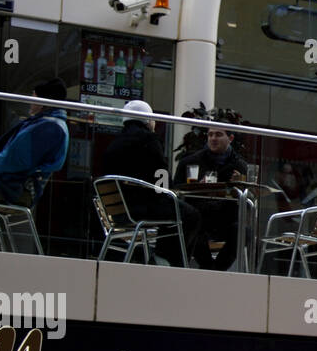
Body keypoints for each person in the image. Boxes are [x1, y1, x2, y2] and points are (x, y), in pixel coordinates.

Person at [0, 78, 70, 245]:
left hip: (15, 187)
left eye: (33, 97)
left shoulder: (48, 127)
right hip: (11, 183)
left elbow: (10, 161)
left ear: (43, 103)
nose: (29, 102)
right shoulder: (46, 124)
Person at [102, 100, 206, 267]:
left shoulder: (114, 143)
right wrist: (170, 190)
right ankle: (171, 261)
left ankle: (163, 257)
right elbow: (161, 175)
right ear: (148, 120)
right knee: (190, 215)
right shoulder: (148, 139)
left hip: (118, 211)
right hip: (141, 208)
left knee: (174, 209)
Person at [172, 124, 248, 271]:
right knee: (191, 223)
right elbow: (176, 192)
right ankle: (210, 270)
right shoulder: (190, 162)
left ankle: (216, 270)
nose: (213, 138)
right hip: (199, 215)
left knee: (245, 231)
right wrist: (198, 188)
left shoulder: (239, 166)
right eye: (210, 134)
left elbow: (248, 197)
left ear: (230, 138)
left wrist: (241, 185)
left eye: (218, 135)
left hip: (225, 218)